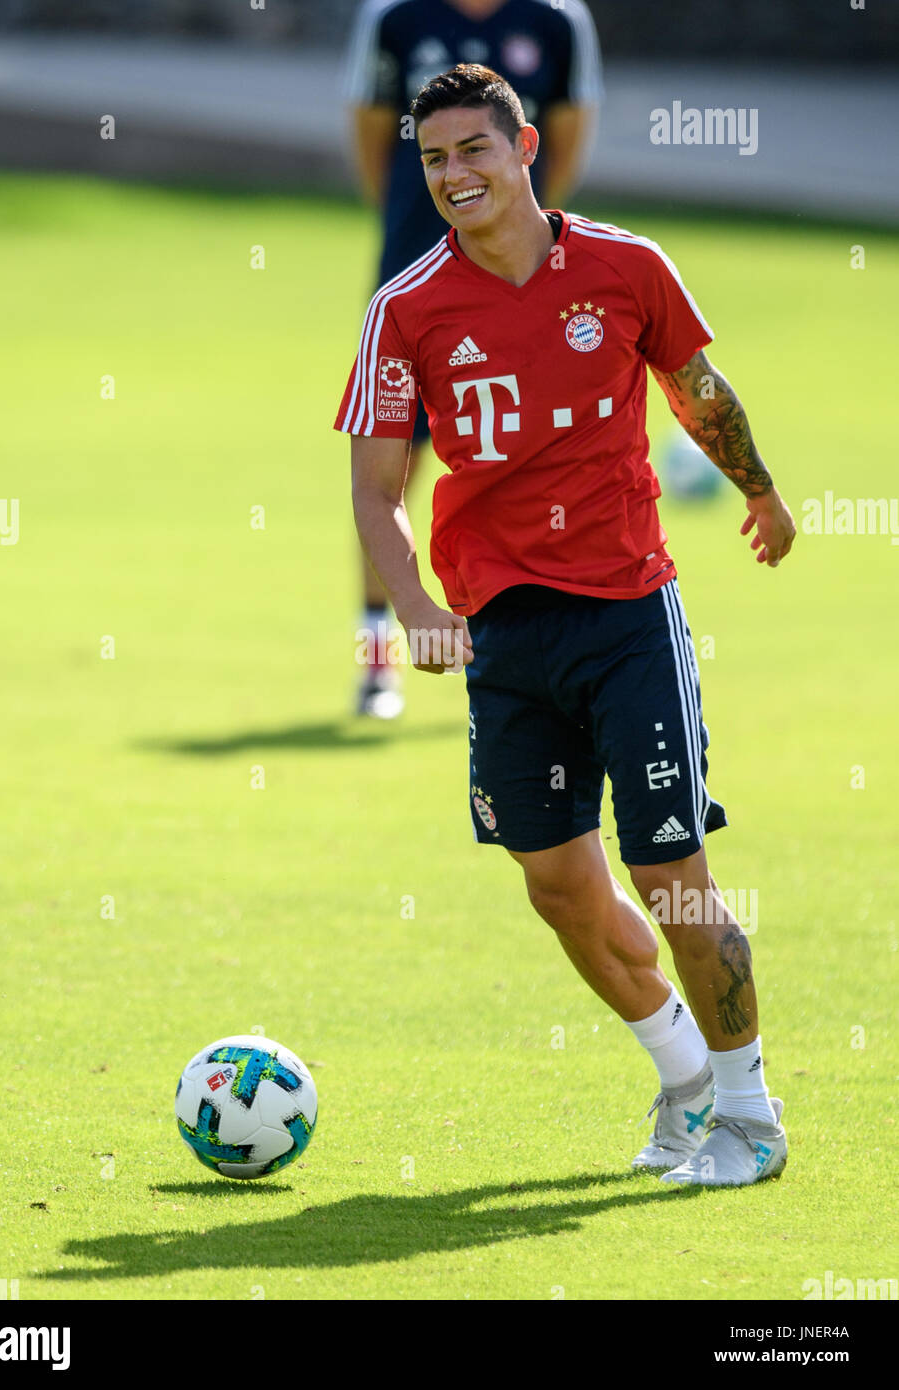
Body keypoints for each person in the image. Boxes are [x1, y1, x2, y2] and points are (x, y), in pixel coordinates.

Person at [335, 64, 797, 1186]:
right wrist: (413, 607)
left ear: (523, 148)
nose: (452, 176)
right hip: (502, 639)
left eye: (471, 152)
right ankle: (684, 1081)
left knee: (671, 872)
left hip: (628, 613)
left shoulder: (625, 267)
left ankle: (750, 1116)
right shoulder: (407, 309)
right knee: (556, 889)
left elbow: (696, 388)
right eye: (433, 159)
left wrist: (758, 490)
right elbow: (374, 488)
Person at [344, 0, 602, 716]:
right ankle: (377, 659)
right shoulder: (393, 17)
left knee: (528, 458)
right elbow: (372, 140)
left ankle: (542, 652)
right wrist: (417, 227)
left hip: (523, 284)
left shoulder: (558, 21)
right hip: (415, 271)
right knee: (389, 469)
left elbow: (567, 141)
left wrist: (515, 226)